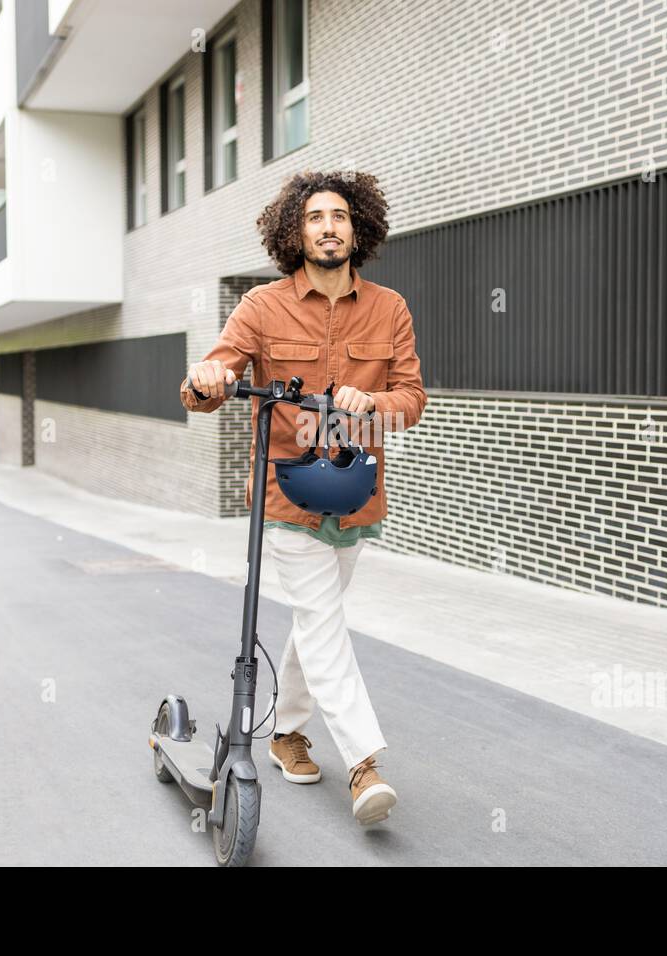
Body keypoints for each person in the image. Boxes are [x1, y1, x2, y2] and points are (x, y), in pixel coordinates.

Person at [181, 170, 427, 826]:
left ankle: (286, 731)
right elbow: (212, 380)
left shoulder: (390, 307)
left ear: (358, 228)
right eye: (315, 216)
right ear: (296, 230)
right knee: (323, 621)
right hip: (285, 496)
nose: (327, 225)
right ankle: (365, 765)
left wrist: (372, 402)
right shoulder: (262, 307)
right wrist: (206, 378)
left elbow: (412, 398)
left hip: (355, 495)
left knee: (314, 623)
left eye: (339, 215)